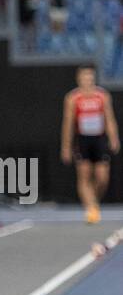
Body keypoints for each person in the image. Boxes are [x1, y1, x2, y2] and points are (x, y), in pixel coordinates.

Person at [61, 64, 119, 222]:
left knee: (102, 177)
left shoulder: (102, 96)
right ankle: (91, 208)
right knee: (84, 175)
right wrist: (66, 147)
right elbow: (68, 123)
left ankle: (93, 201)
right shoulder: (73, 98)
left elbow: (109, 118)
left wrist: (114, 137)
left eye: (90, 77)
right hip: (83, 139)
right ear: (79, 79)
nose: (87, 80)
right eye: (84, 77)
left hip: (99, 139)